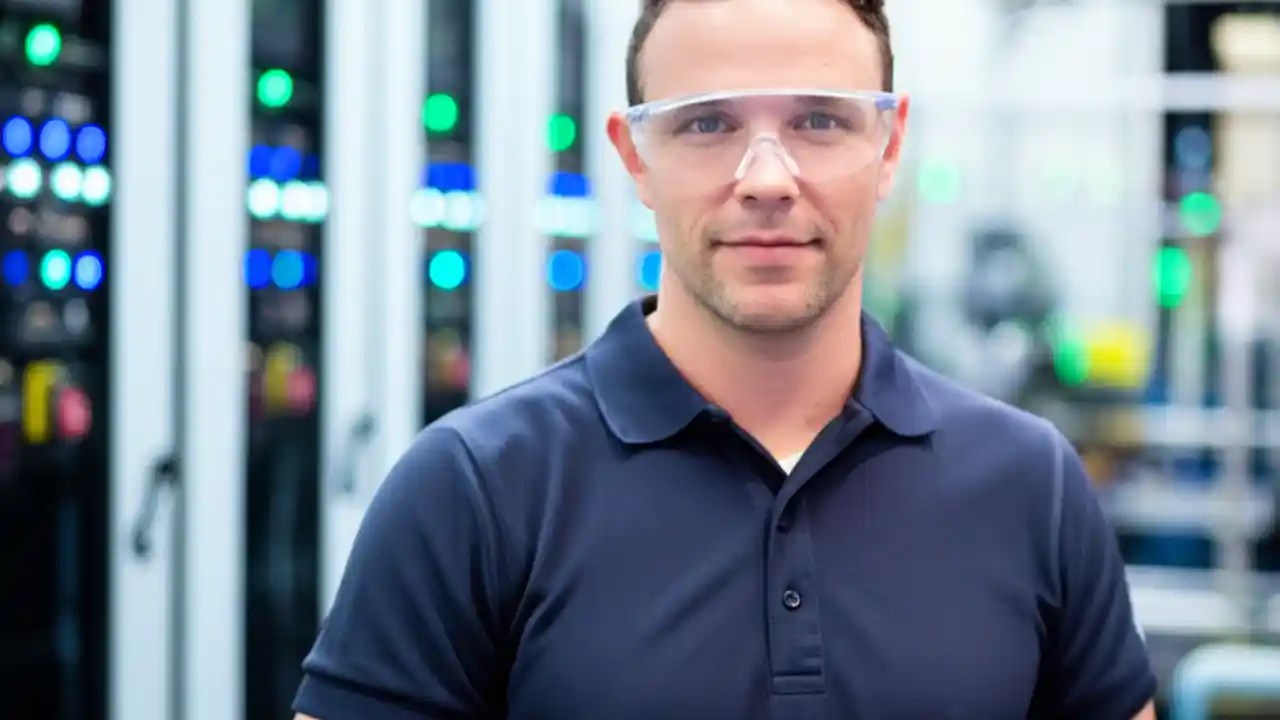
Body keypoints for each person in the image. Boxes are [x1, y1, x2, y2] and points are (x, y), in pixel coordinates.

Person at [293, 0, 1158, 717]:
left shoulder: (1028, 486)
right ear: (635, 156)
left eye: (819, 120)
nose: (767, 177)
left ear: (889, 147)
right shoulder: (475, 490)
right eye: (707, 123)